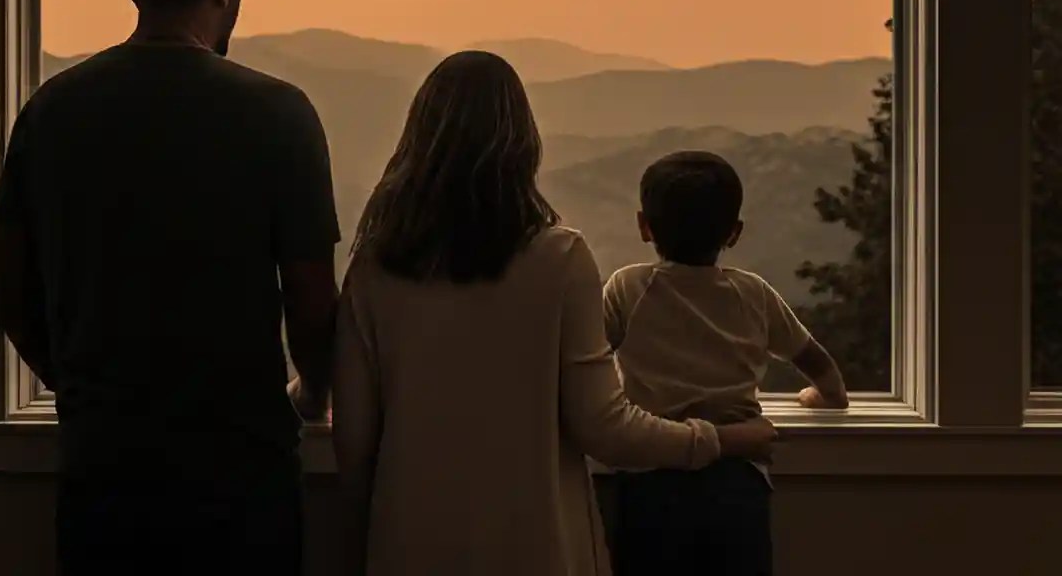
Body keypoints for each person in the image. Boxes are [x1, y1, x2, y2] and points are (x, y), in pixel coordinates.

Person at [0, 0, 339, 575]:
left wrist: (79, 384)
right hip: (241, 479)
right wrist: (316, 396)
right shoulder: (279, 115)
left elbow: (9, 290)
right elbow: (309, 299)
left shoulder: (51, 114)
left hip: (105, 472)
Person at [331, 52, 778, 576]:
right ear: (523, 145)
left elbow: (354, 440)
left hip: (408, 549)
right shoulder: (559, 258)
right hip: (539, 549)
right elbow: (605, 427)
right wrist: (721, 438)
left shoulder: (374, 266)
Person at [602, 150, 850, 576]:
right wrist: (822, 396)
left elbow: (587, 359)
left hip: (651, 477)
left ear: (644, 225)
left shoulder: (628, 287)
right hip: (737, 480)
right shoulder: (752, 293)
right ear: (733, 233)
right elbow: (818, 366)